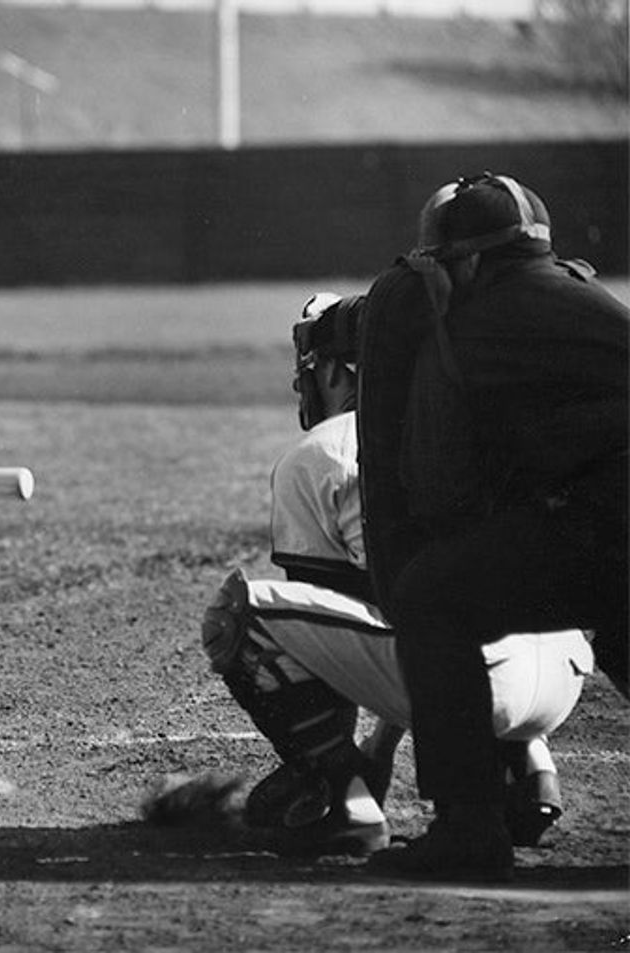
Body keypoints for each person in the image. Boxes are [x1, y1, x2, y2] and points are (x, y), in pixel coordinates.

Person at [191, 292, 592, 859]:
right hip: (563, 676)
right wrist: (382, 747)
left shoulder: (320, 451)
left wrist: (353, 764)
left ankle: (346, 802)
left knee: (243, 616)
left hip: (480, 687)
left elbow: (337, 633)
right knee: (474, 596)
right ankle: (528, 775)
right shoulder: (478, 424)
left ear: (336, 371)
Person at [356, 173, 628, 881]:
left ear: (470, 260)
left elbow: (440, 488)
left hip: (611, 523)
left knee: (431, 595)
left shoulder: (477, 323)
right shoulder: (586, 299)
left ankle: (468, 830)